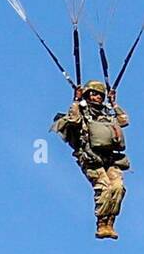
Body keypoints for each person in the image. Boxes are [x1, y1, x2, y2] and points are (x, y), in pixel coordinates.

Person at [52, 81, 130, 239]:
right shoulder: (82, 114)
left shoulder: (106, 116)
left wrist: (114, 103)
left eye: (100, 95)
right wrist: (75, 101)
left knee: (118, 188)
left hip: (111, 159)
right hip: (91, 160)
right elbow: (73, 121)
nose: (97, 98)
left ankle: (110, 222)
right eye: (93, 94)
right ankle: (102, 223)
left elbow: (124, 121)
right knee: (104, 188)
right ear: (87, 96)